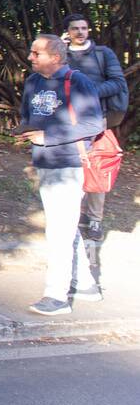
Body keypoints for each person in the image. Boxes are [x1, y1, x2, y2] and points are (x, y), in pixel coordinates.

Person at [16, 34, 104, 315]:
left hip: (70, 164)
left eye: (36, 53)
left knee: (59, 231)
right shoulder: (32, 82)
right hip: (44, 163)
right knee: (63, 226)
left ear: (55, 57)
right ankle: (87, 286)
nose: (30, 57)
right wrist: (25, 132)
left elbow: (93, 123)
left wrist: (48, 136)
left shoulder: (78, 81)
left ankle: (57, 297)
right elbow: (28, 115)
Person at [63, 13, 128, 243]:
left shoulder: (103, 54)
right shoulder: (62, 55)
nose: (80, 32)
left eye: (84, 28)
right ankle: (74, 216)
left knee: (94, 166)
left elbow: (118, 83)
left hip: (95, 119)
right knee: (70, 167)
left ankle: (94, 219)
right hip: (66, 121)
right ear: (67, 32)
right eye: (75, 28)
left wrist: (89, 93)